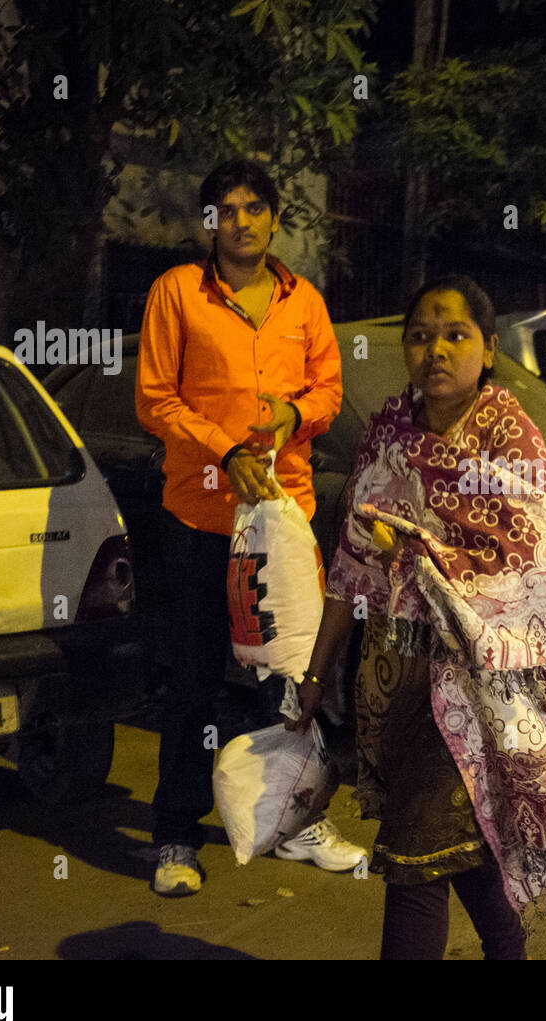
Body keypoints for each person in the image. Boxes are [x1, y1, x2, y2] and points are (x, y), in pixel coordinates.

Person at [292, 275, 546, 960]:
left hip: (479, 678)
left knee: (414, 857)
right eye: (420, 335)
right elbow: (350, 566)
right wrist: (314, 674)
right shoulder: (387, 430)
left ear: (488, 349)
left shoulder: (509, 435)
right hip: (394, 672)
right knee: (462, 840)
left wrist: (423, 551)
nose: (436, 350)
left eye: (455, 335)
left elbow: (539, 566)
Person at [135, 159, 365, 896]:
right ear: (210, 223)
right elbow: (155, 399)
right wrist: (224, 452)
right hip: (202, 519)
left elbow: (327, 388)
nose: (240, 220)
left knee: (293, 680)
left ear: (273, 217)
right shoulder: (176, 292)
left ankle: (293, 821)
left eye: (253, 207)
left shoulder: (305, 302)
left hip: (283, 519)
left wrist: (297, 415)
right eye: (225, 210)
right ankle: (175, 834)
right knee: (194, 681)